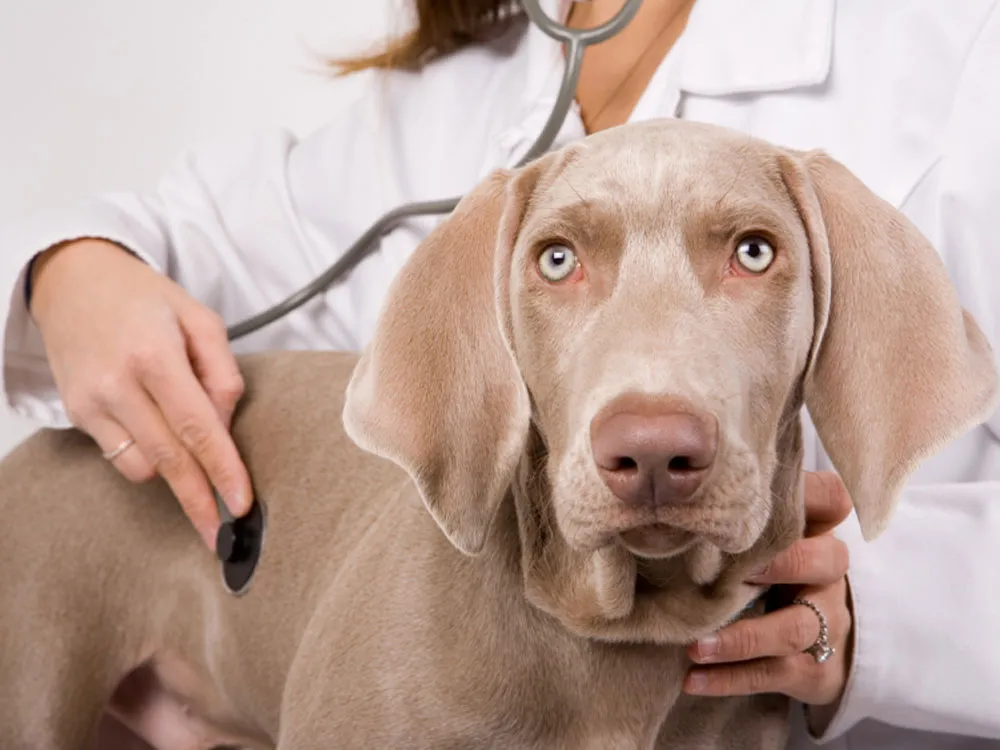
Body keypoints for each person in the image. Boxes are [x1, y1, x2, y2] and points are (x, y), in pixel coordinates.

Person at [2, 0, 998, 747]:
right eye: (557, 261)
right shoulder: (459, 89)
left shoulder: (950, 46)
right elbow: (195, 236)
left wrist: (890, 610)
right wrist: (71, 268)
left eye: (749, 256)